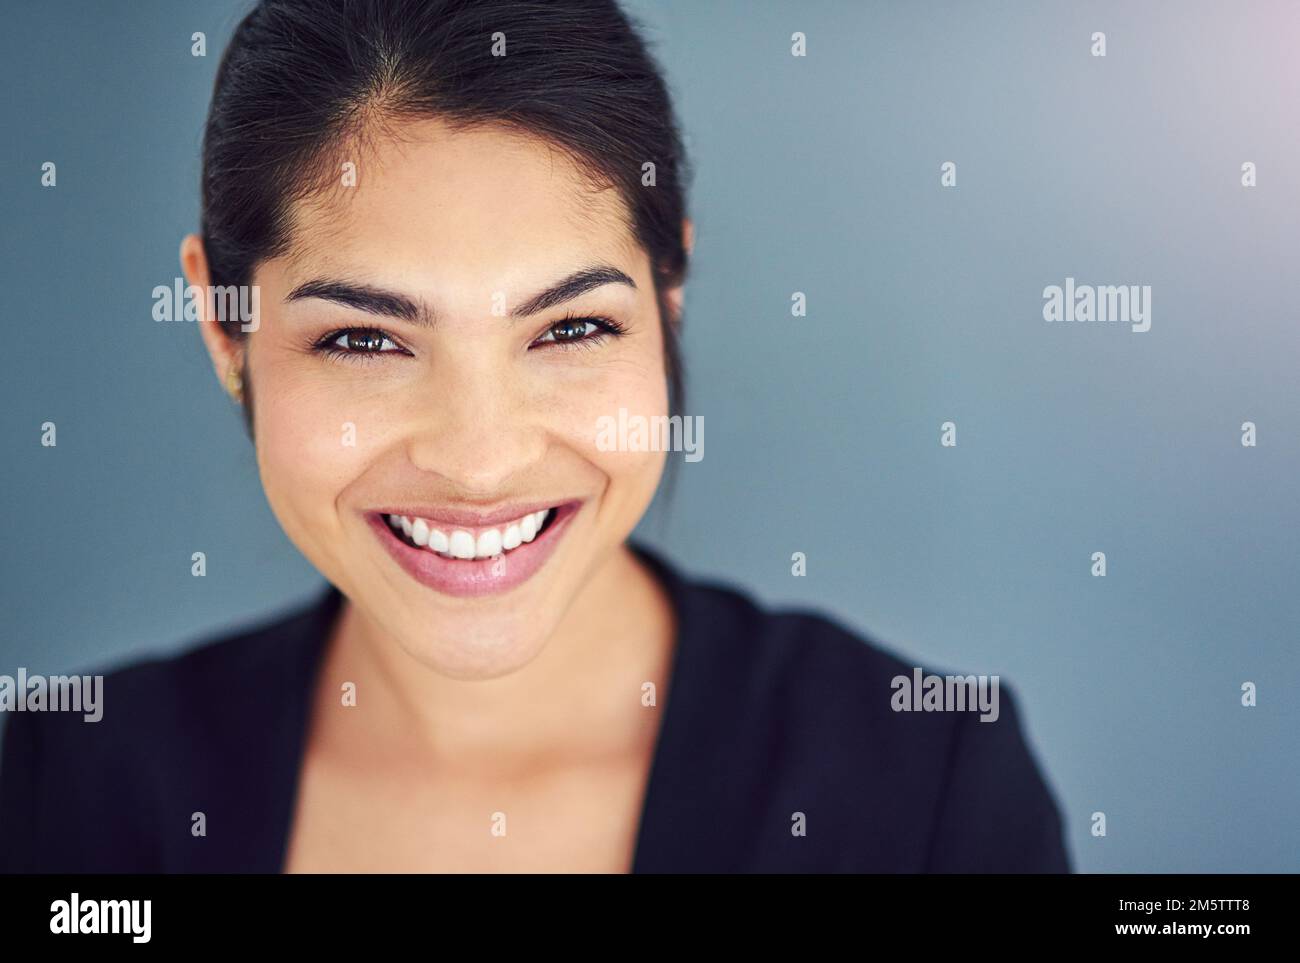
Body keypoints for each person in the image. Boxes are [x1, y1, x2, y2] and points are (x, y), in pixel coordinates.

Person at [0, 0, 1070, 873]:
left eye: (571, 327)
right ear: (224, 327)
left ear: (672, 295)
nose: (479, 462)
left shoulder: (926, 790)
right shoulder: (72, 786)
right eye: (366, 342)